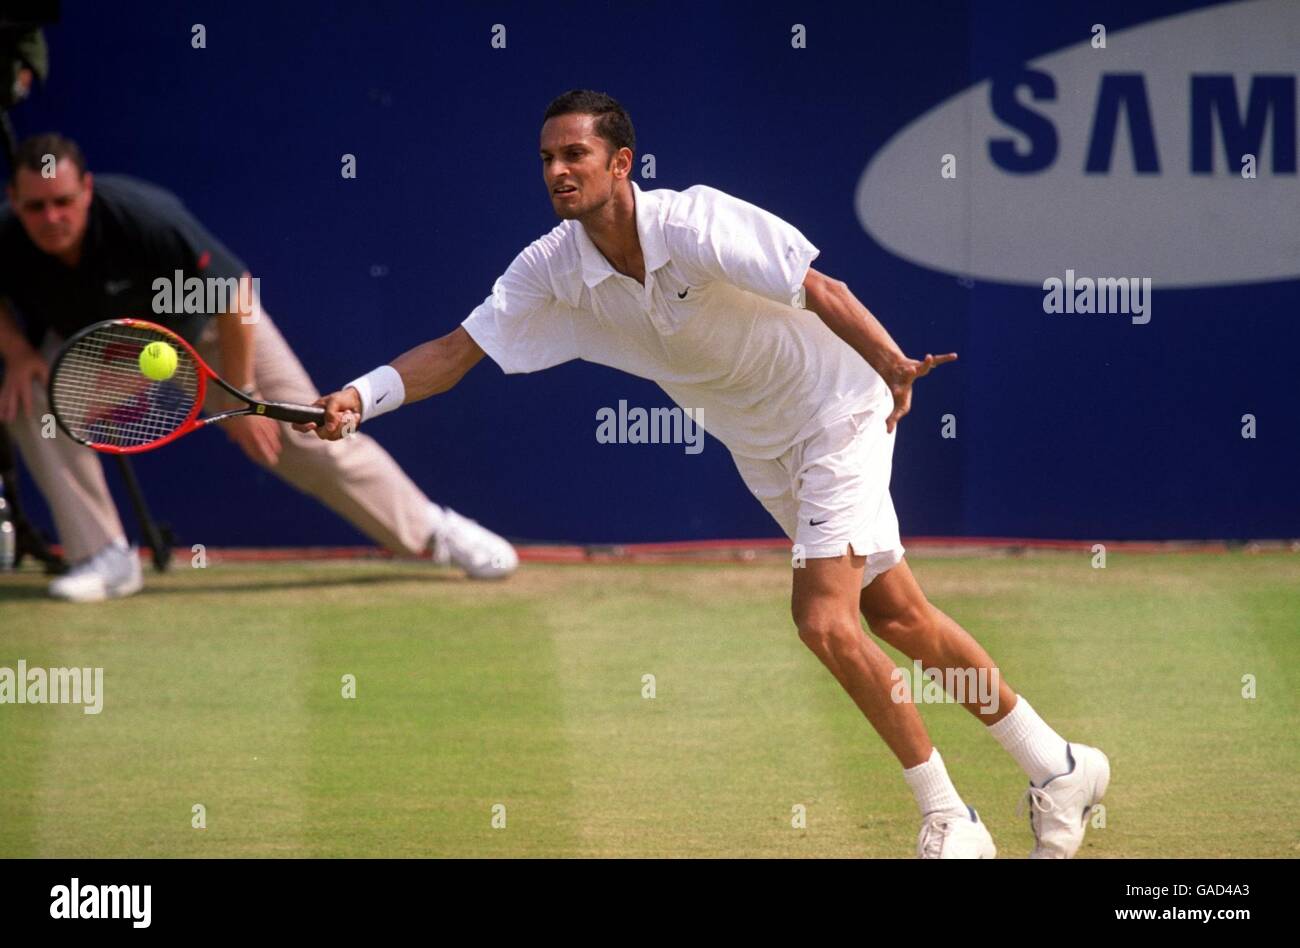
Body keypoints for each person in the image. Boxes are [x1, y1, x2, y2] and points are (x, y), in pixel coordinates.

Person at [297, 90, 1109, 859]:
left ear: (622, 163)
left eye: (574, 154)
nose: (556, 172)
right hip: (761, 445)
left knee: (824, 622)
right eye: (546, 158)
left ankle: (948, 817)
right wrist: (361, 399)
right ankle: (1060, 767)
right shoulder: (549, 267)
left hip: (837, 412)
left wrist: (891, 364)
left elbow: (821, 287)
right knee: (896, 615)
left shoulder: (695, 221)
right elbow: (454, 351)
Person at [0, 133, 517, 602]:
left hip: (212, 332)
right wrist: (20, 353)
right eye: (36, 207)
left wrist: (243, 395)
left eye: (63, 202)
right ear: (16, 204)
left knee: (311, 435)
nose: (51, 218)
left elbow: (235, 293)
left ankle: (436, 532)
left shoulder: (142, 216)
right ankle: (104, 557)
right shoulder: (8, 235)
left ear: (87, 190)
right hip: (113, 351)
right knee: (33, 396)